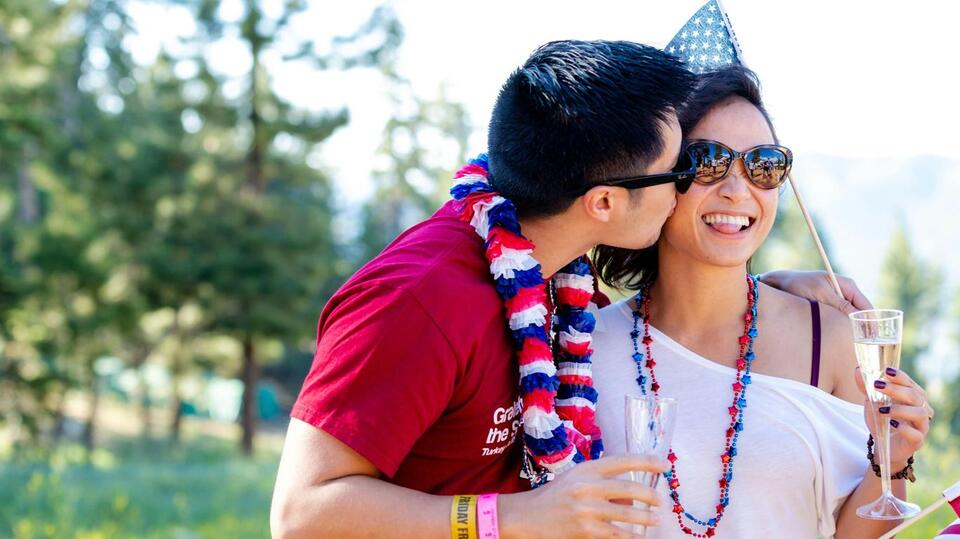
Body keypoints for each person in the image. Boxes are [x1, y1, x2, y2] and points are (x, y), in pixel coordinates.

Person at [270, 41, 871, 539]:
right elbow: (299, 514)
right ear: (605, 203)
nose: (702, 190)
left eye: (760, 166)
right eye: (685, 169)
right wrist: (515, 517)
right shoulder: (418, 298)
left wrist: (766, 288)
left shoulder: (562, 290)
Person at [591, 65, 933, 538]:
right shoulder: (586, 346)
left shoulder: (828, 339)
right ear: (659, 178)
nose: (737, 190)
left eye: (763, 165)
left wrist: (892, 458)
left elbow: (857, 534)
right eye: (707, 161)